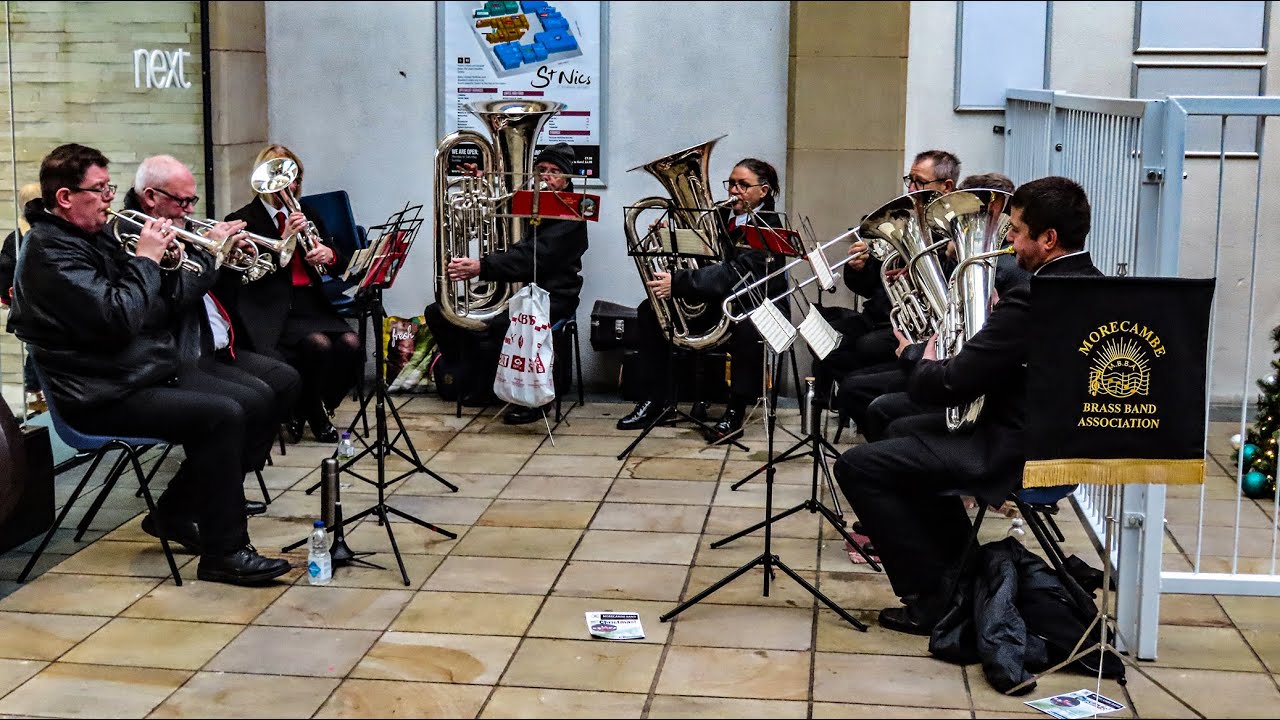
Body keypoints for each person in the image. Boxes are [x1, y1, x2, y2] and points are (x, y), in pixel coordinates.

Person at [8, 143, 290, 585]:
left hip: (135, 371)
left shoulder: (93, 234)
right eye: (99, 190)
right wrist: (147, 258)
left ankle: (179, 512)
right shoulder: (49, 253)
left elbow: (153, 305)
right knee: (223, 414)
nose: (108, 199)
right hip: (100, 393)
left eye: (108, 187)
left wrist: (180, 260)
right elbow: (121, 316)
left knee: (256, 400)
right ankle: (225, 552)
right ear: (65, 198)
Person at [833, 176, 1103, 636]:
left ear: (1049, 239)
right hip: (1049, 439)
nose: (1010, 242)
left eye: (1016, 231)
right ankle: (957, 571)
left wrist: (914, 354)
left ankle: (929, 600)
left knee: (858, 467)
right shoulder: (1091, 286)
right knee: (900, 434)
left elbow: (952, 382)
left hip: (1011, 451)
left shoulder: (1034, 298)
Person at [127, 154, 301, 482]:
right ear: (151, 198)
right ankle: (205, 492)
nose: (191, 210)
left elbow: (218, 293)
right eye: (182, 201)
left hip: (217, 340)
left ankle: (227, 482)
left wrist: (234, 260)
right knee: (253, 400)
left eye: (191, 200)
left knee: (286, 381)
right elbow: (174, 299)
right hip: (182, 353)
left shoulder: (182, 227)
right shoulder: (140, 238)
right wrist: (210, 253)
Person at [617, 157, 789, 443]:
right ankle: (655, 399)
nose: (734, 190)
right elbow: (701, 256)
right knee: (650, 311)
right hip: (719, 302)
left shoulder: (771, 229)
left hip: (756, 304)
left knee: (748, 329)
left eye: (743, 185)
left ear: (764, 190)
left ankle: (735, 411)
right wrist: (670, 238)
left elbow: (734, 273)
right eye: (732, 183)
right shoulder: (718, 216)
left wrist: (680, 283)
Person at [422, 142, 589, 425]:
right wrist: (481, 185)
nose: (546, 177)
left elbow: (535, 258)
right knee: (440, 313)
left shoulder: (573, 212)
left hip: (551, 295)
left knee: (506, 324)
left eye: (554, 172)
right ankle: (480, 382)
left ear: (567, 179)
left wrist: (481, 266)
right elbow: (495, 219)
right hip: (512, 289)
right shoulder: (524, 200)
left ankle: (532, 401)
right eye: (540, 170)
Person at [219, 143, 360, 444]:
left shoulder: (307, 212)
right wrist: (283, 240)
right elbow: (248, 274)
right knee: (318, 345)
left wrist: (328, 255)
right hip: (269, 303)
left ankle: (319, 404)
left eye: (294, 178)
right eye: (281, 179)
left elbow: (340, 262)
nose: (290, 186)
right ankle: (313, 413)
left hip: (310, 299)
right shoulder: (245, 218)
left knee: (350, 344)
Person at [828, 150, 962, 438]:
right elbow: (867, 287)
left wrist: (916, 273)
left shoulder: (953, 233)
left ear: (946, 187)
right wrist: (859, 268)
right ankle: (872, 427)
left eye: (919, 182)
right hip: (884, 317)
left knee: (865, 351)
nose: (911, 189)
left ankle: (884, 434)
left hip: (919, 334)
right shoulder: (905, 221)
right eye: (909, 180)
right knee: (830, 348)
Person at [1, 183, 45, 412]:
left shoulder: (21, 237)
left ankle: (35, 391)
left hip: (40, 306)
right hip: (33, 308)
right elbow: (6, 273)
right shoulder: (18, 238)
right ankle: (34, 391)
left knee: (38, 349)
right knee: (37, 350)